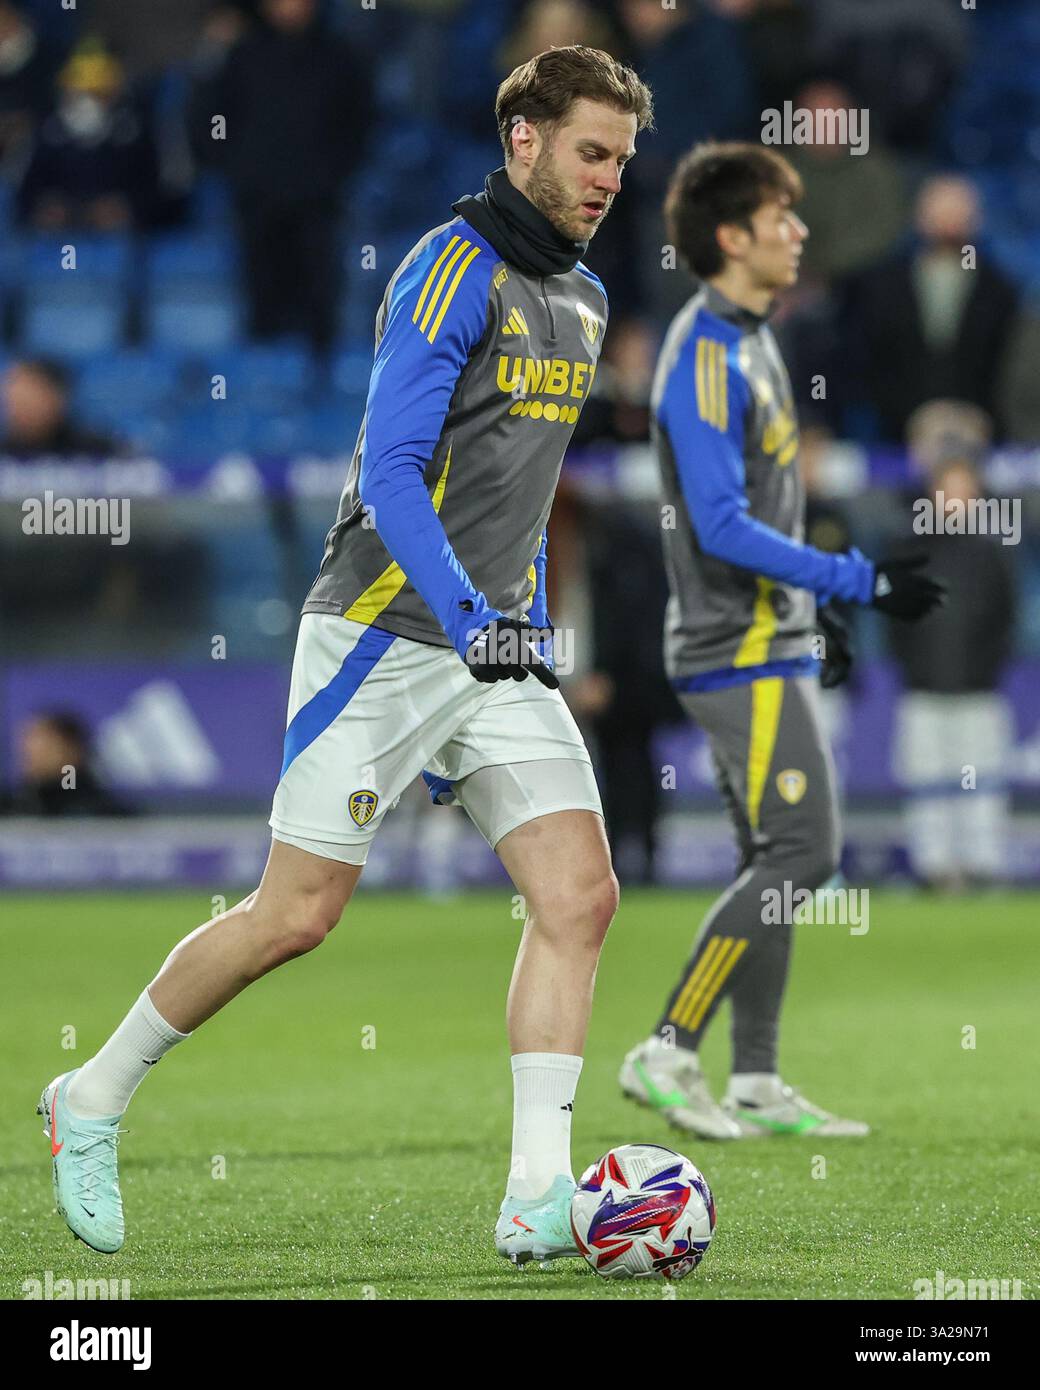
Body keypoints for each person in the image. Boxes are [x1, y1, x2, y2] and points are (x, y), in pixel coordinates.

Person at [39, 44, 654, 1266]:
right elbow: (387, 474)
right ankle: (92, 1095)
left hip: (492, 649)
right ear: (522, 140)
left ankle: (535, 1195)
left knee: (579, 895)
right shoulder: (447, 269)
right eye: (590, 152)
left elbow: (521, 496)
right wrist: (468, 616)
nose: (606, 181)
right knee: (294, 916)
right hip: (381, 631)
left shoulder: (582, 301)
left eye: (623, 162)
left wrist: (515, 618)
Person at [619, 141, 944, 1139]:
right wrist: (855, 580)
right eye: (779, 217)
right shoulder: (707, 357)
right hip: (732, 647)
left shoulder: (749, 336)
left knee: (773, 858)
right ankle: (667, 1046)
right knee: (802, 852)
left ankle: (754, 1078)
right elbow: (718, 525)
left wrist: (815, 613)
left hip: (766, 635)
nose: (799, 230)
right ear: (730, 237)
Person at [0, 712, 132, 817]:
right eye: (28, 746)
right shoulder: (20, 803)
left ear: (72, 749)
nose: (32, 754)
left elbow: (68, 789)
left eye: (46, 747)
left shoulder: (92, 808)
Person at [0, 358, 120, 457]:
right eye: (16, 402)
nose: (19, 411)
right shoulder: (5, 455)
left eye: (27, 401)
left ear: (57, 398)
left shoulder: (97, 452)